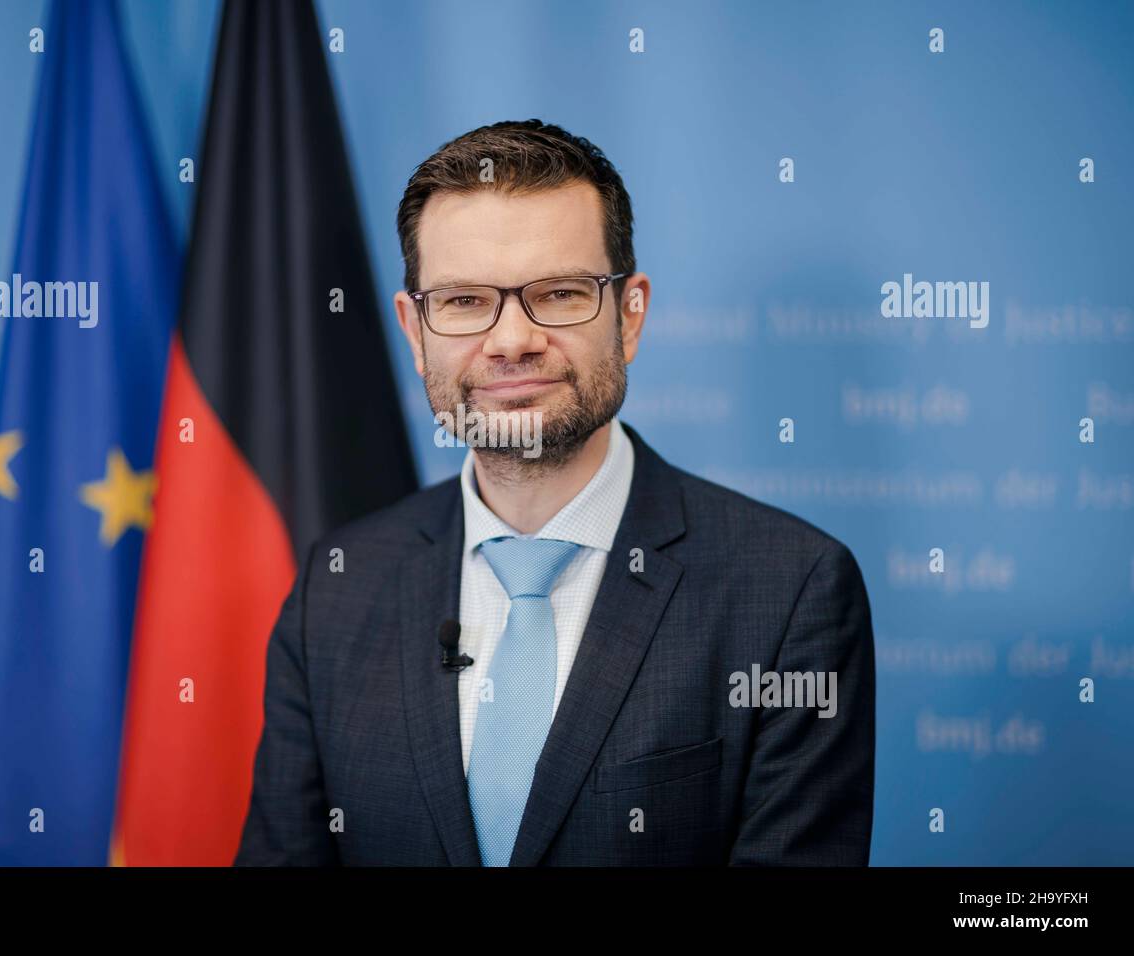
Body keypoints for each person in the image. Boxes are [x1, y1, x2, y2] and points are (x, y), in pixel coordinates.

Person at [235, 120, 875, 866]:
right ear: (414, 330)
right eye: (466, 301)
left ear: (629, 315)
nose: (511, 341)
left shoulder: (792, 590)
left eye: (560, 293)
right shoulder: (337, 588)